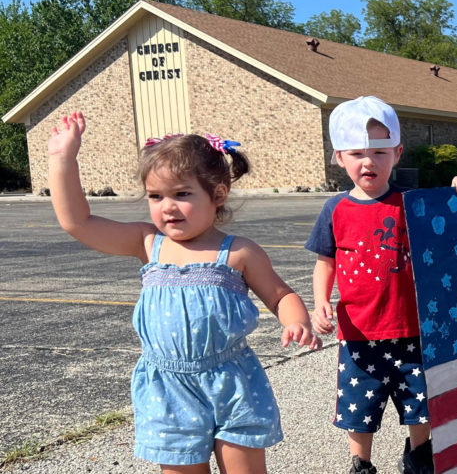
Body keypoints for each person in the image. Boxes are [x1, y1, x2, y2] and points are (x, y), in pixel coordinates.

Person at [46, 112, 321, 474]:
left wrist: (296, 321)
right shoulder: (148, 243)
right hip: (167, 387)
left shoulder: (238, 252)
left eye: (181, 194)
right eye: (155, 196)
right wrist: (63, 160)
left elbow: (280, 295)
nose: (167, 206)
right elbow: (78, 222)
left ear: (217, 194)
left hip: (232, 382)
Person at [305, 96, 435, 474]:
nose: (368, 162)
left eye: (379, 152)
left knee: (420, 402)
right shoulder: (335, 209)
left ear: (397, 153)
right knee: (359, 406)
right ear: (339, 157)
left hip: (412, 329)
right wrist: (320, 301)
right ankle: (360, 463)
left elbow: (453, 225)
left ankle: (420, 456)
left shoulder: (412, 204)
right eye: (357, 153)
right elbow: (325, 262)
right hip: (359, 333)